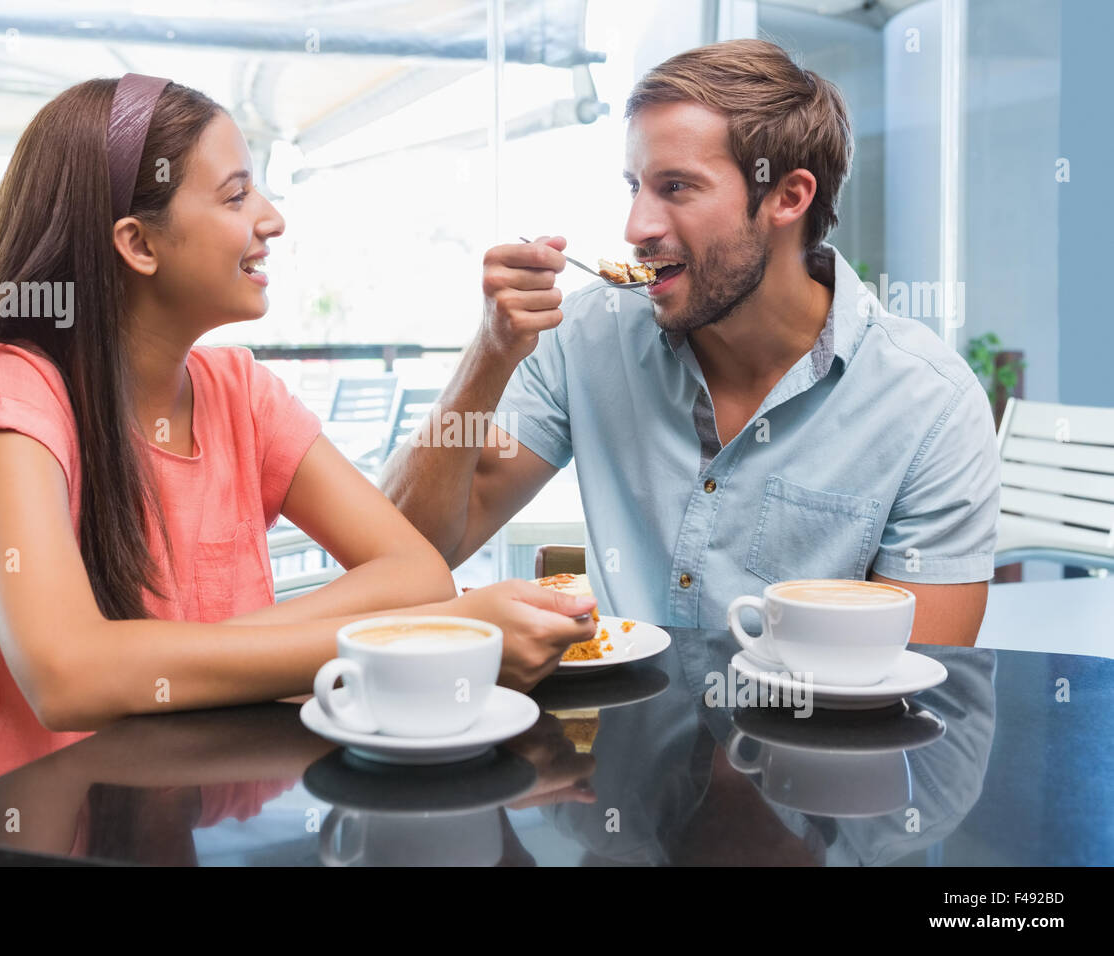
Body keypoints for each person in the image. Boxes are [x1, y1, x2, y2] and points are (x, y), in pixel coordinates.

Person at [0, 75, 596, 835]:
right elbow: (68, 676)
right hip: (3, 838)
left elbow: (416, 574)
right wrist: (423, 638)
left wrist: (143, 658)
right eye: (234, 197)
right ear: (137, 243)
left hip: (166, 818)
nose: (272, 219)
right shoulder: (17, 400)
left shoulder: (238, 392)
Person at [382, 39, 1001, 646]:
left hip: (811, 744)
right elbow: (406, 553)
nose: (636, 228)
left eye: (676, 187)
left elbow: (925, 687)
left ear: (788, 196)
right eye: (636, 186)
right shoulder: (584, 335)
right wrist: (490, 353)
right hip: (617, 735)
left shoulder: (929, 406)